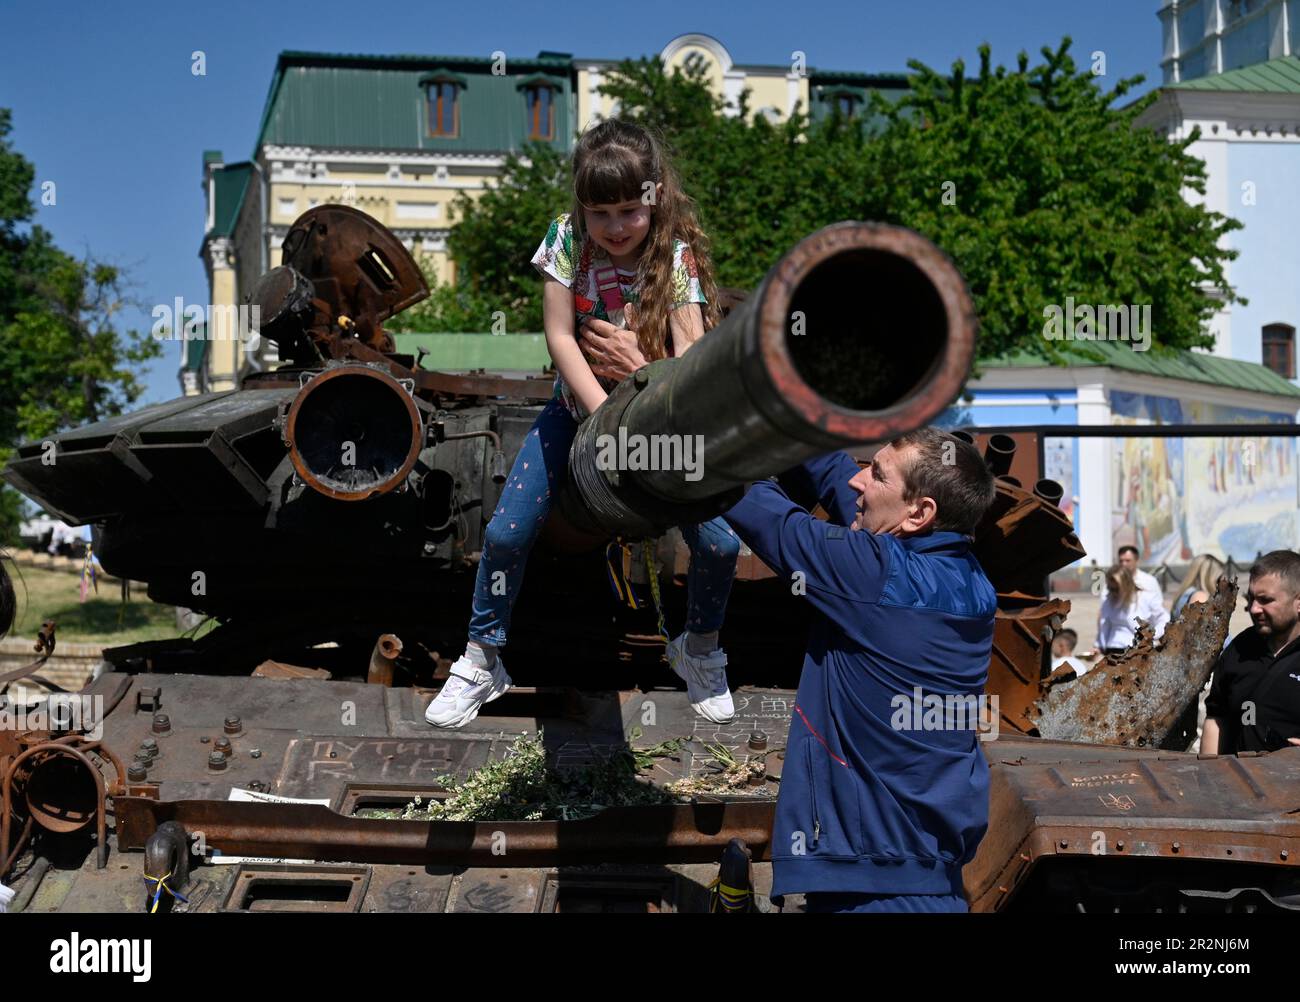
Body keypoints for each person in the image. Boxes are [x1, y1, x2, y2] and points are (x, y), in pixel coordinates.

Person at [425, 119, 741, 729]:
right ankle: (482, 655)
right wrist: (604, 418)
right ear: (581, 206)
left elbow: (690, 362)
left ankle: (698, 648)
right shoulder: (567, 241)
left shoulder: (675, 257)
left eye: (629, 210)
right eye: (601, 212)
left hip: (658, 420)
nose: (616, 227)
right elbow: (560, 336)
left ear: (654, 197)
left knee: (722, 541)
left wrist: (639, 418)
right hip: (577, 410)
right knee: (507, 534)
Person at [722, 428, 997, 913]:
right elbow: (835, 476)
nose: (857, 484)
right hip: (926, 883)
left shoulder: (874, 576)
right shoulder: (971, 583)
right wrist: (776, 416)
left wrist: (690, 415)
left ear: (919, 513)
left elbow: (766, 516)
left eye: (875, 474)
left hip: (874, 895)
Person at [1202, 550, 1300, 755]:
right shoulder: (1240, 649)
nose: (1253, 609)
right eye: (1251, 599)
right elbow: (1217, 718)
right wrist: (1207, 777)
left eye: (1265, 600)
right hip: (1238, 782)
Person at [1096, 566, 1169, 654]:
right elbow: (1104, 625)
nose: (1114, 592)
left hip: (1137, 650)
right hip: (1112, 649)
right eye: (1111, 589)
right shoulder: (1109, 599)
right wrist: (1098, 646)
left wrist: (1153, 635)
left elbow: (1164, 619)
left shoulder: (1146, 598)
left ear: (1127, 584)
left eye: (1117, 589)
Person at [1172, 554, 1226, 620]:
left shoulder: (1187, 592)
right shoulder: (1200, 597)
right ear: (1209, 578)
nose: (1222, 581)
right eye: (1219, 577)